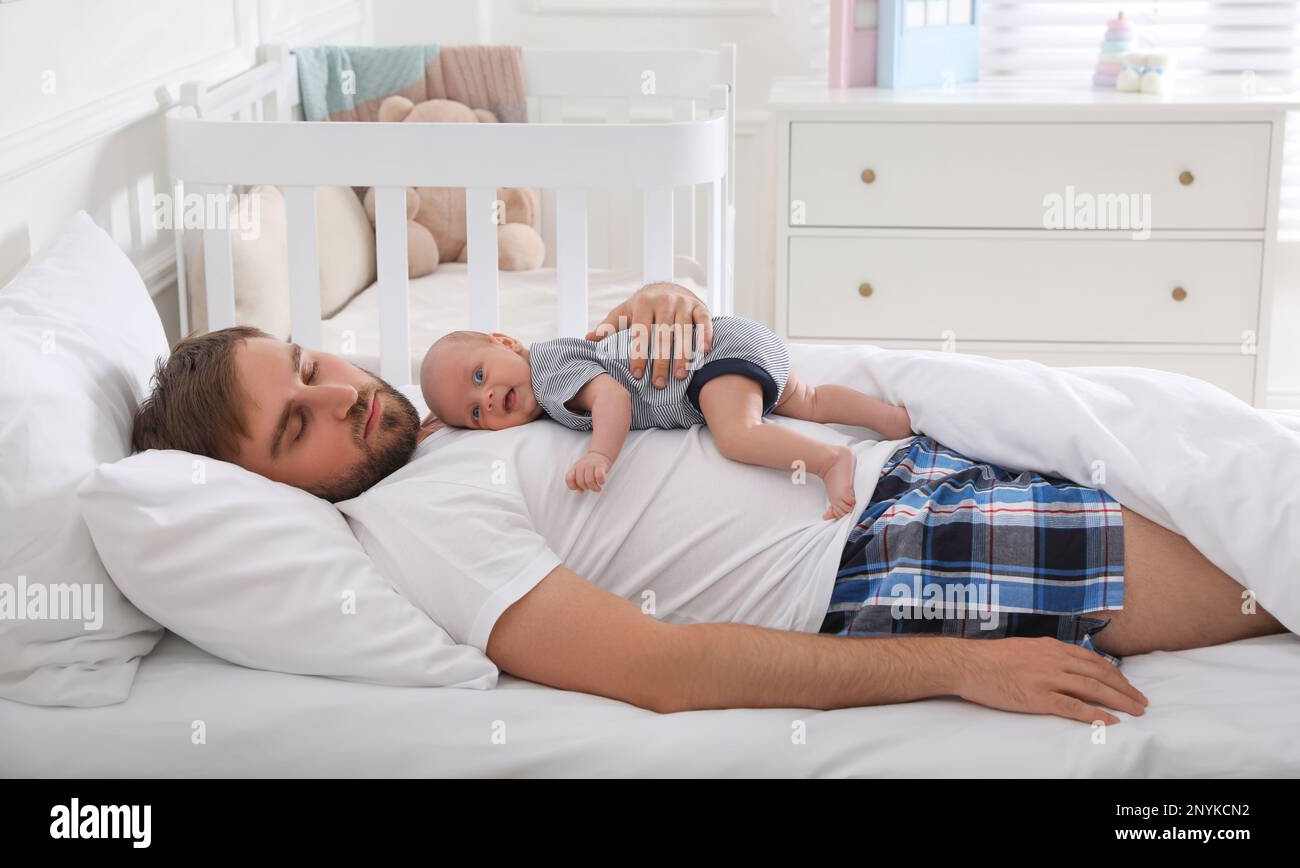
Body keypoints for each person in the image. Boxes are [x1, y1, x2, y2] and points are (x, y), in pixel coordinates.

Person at [130, 284, 1288, 725]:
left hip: (887, 452)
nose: (343, 394)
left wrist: (657, 311)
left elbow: (629, 380)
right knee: (1261, 572)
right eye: (300, 422)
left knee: (1213, 457)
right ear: (261, 486)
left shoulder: (459, 407)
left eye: (309, 363)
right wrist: (958, 664)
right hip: (882, 555)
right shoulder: (412, 524)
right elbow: (660, 668)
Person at [418, 317, 913, 519]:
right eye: (476, 413)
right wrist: (446, 421)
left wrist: (599, 453)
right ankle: (889, 420)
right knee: (808, 400)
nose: (490, 397)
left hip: (704, 365)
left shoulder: (548, 376)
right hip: (732, 338)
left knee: (738, 436)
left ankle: (829, 461)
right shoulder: (549, 369)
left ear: (505, 342)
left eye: (480, 374)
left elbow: (613, 397)